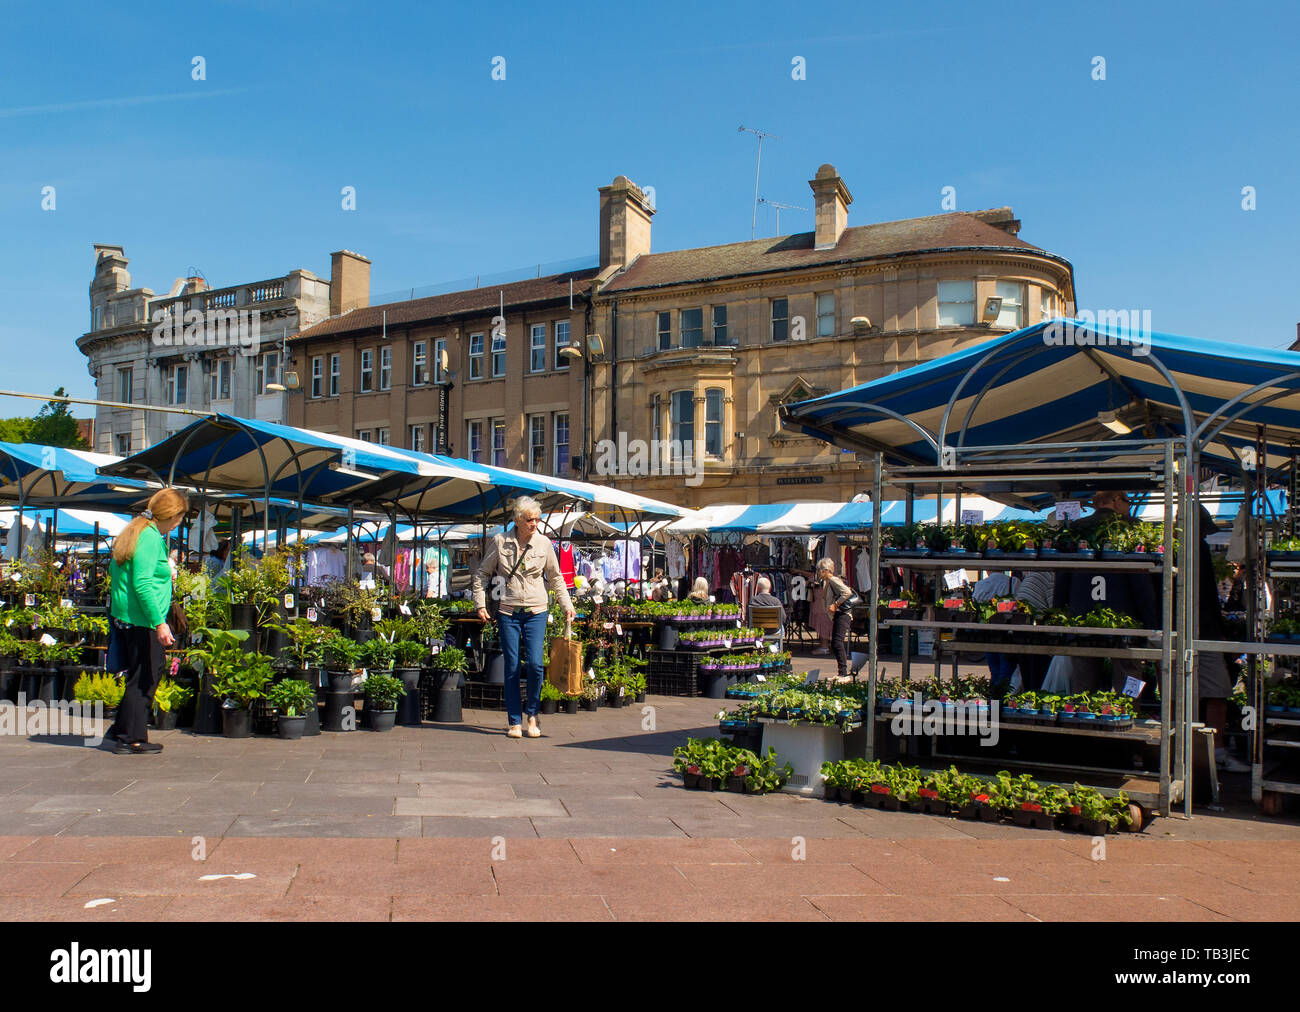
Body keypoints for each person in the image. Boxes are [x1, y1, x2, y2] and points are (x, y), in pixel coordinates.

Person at [473, 496, 575, 739]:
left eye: (537, 519)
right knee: (511, 665)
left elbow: (556, 576)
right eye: (530, 519)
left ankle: (532, 714)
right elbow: (482, 574)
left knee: (535, 664)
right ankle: (514, 721)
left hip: (536, 611)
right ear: (518, 520)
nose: (535, 524)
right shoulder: (500, 542)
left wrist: (566, 605)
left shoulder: (544, 543)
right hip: (508, 611)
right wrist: (480, 603)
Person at [105, 488, 189, 755]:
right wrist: (159, 623)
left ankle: (120, 729)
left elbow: (119, 577)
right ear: (172, 516)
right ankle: (132, 738)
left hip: (127, 617)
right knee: (145, 677)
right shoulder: (151, 538)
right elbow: (142, 584)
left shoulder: (134, 531)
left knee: (137, 674)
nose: (179, 523)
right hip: (144, 620)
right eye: (179, 518)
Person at [817, 557, 855, 680]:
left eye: (819, 570)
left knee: (837, 642)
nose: (818, 572)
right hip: (839, 614)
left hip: (842, 613)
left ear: (826, 570)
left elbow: (847, 592)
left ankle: (843, 673)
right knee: (836, 642)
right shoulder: (828, 582)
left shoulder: (833, 580)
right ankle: (842, 672)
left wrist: (836, 604)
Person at [748, 576, 786, 647]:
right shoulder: (776, 601)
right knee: (782, 628)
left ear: (758, 588)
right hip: (773, 631)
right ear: (770, 588)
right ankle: (775, 650)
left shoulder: (752, 600)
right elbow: (783, 618)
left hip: (758, 631)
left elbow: (748, 618)